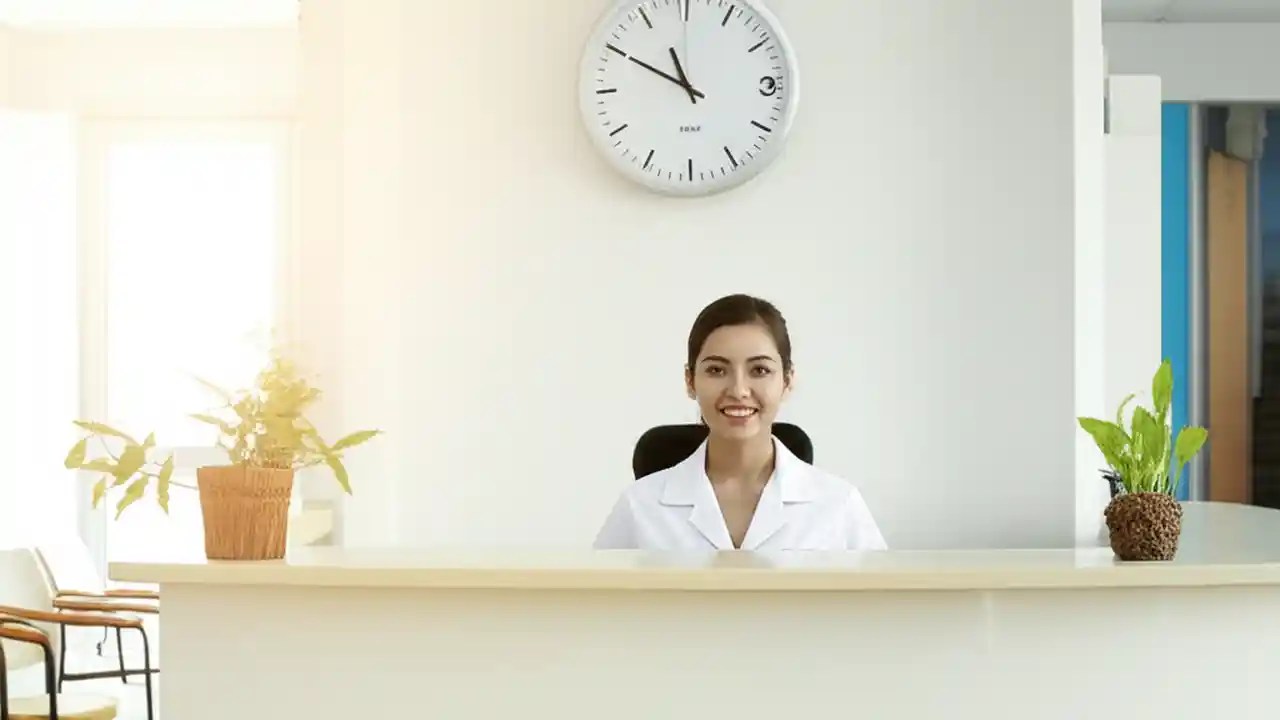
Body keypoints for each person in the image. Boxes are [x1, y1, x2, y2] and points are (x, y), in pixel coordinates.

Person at [593, 294, 887, 551]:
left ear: (787, 380)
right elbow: (594, 606)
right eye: (717, 370)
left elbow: (881, 608)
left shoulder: (838, 504)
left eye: (759, 370)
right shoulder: (640, 506)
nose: (738, 390)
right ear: (690, 380)